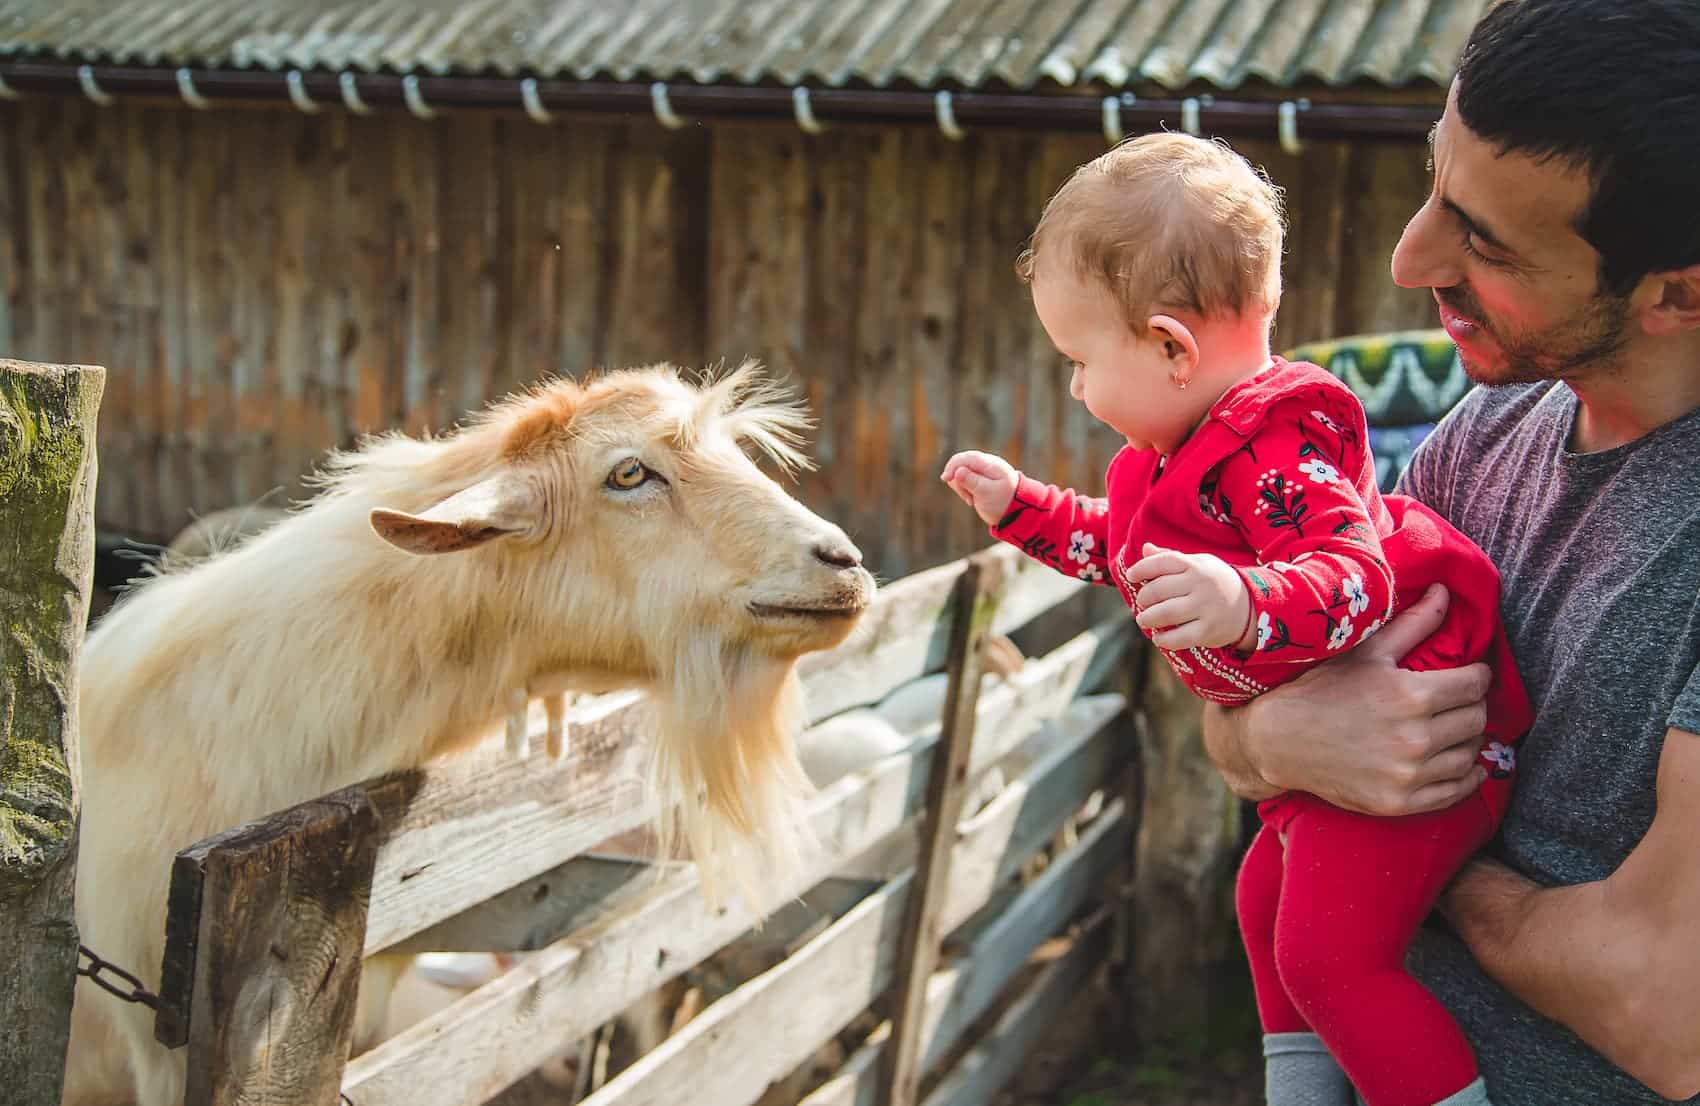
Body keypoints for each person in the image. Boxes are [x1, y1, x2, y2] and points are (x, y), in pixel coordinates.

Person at [940, 130, 1530, 1106]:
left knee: (1329, 957)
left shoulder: (1279, 442)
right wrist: (1024, 509)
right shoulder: (1172, 463)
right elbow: (1118, 554)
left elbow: (1354, 574)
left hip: (1425, 741)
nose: (1077, 388)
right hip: (1332, 758)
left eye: (1079, 361)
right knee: (1261, 905)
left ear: (1170, 346)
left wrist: (1243, 602)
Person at [1197, 1, 1700, 1103]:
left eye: (1482, 238)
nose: (1406, 254)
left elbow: (1665, 1006)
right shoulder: (1483, 432)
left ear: (1676, 291)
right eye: (1434, 180)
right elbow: (1263, 716)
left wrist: (1411, 863)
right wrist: (1269, 730)